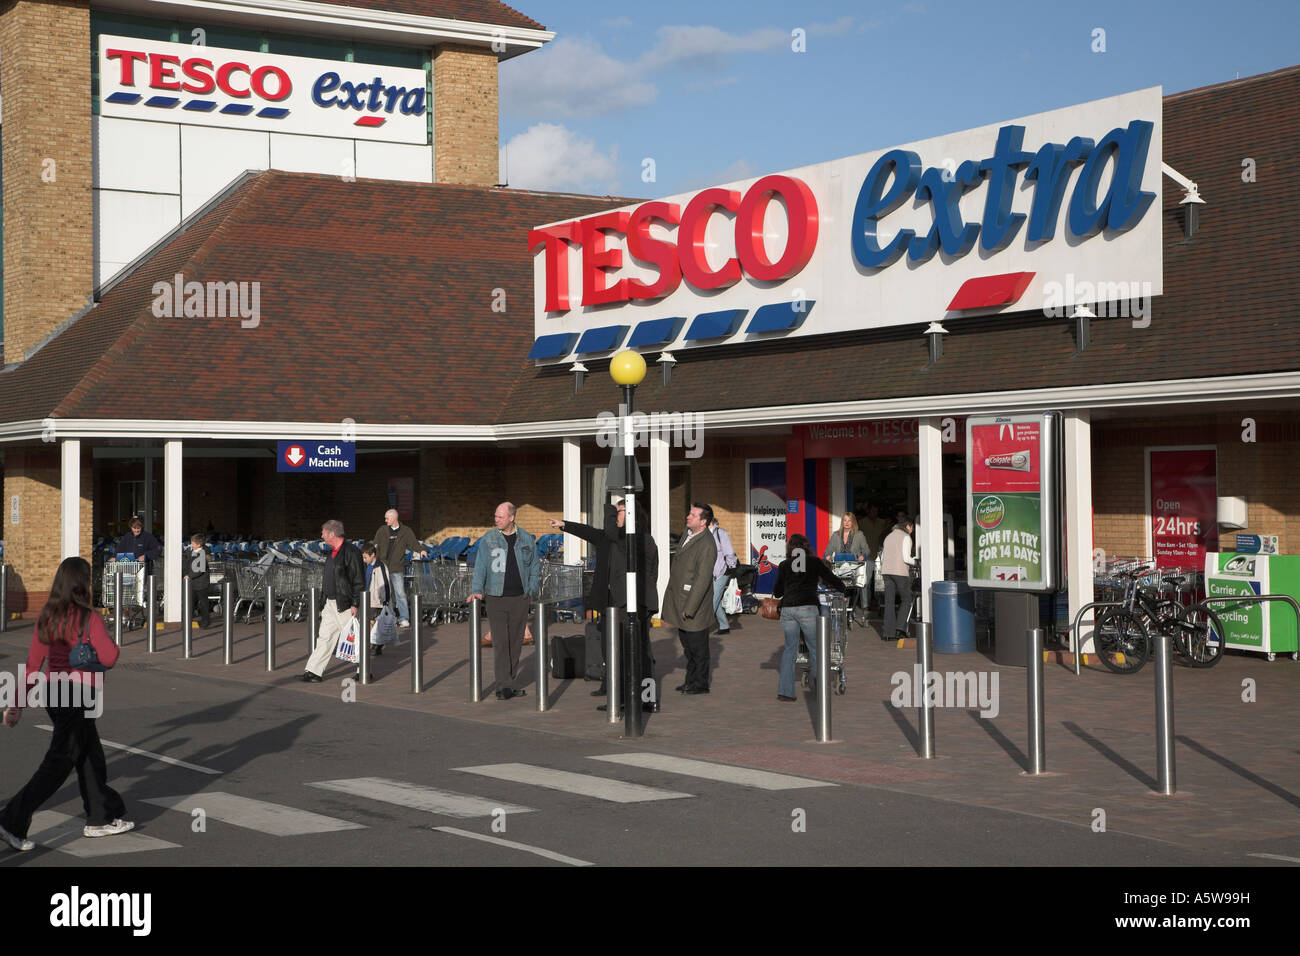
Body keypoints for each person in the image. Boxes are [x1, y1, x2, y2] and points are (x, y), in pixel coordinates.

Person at [0, 557, 133, 852]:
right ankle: (11, 819)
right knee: (58, 764)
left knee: (90, 757)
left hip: (54, 693)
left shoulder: (46, 617)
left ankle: (100, 817)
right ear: (82, 583)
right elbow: (109, 657)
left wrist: (17, 703)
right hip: (79, 696)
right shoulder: (89, 618)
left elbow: (33, 666)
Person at [551, 498, 660, 713]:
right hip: (616, 603)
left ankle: (645, 698)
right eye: (616, 512)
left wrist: (609, 509)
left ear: (631, 514)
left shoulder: (637, 537)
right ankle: (620, 695)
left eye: (620, 511)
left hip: (634, 603)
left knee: (638, 651)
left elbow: (651, 571)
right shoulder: (615, 537)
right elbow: (591, 532)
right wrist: (565, 525)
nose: (615, 516)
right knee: (616, 650)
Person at [469, 502, 540, 701]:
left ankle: (509, 683)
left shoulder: (526, 538)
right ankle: (503, 686)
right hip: (496, 597)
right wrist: (477, 590)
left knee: (515, 643)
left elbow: (535, 566)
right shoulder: (489, 538)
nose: (496, 520)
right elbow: (481, 566)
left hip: (520, 597)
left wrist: (532, 588)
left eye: (500, 517)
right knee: (501, 643)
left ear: (511, 518)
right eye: (496, 516)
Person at [774, 534, 847, 701]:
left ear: (790, 548)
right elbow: (831, 578)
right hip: (807, 607)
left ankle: (785, 692)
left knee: (789, 650)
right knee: (816, 649)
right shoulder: (814, 562)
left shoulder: (784, 565)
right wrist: (843, 589)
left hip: (788, 610)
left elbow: (777, 592)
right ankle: (821, 690)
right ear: (806, 547)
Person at [661, 503, 717, 695]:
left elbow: (702, 580)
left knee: (698, 648)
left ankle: (700, 684)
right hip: (680, 600)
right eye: (689, 513)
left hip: (694, 606)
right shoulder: (688, 533)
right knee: (687, 646)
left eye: (693, 515)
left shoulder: (707, 544)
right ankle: (690, 680)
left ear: (703, 522)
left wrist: (690, 608)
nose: (688, 516)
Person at [300, 519, 364, 683]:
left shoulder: (351, 552)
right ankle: (314, 671)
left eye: (323, 533)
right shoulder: (332, 552)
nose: (321, 536)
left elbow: (358, 580)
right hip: (330, 602)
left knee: (353, 638)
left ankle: (364, 669)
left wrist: (355, 603)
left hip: (345, 603)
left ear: (331, 534)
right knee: (325, 637)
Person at [373, 509, 427, 629]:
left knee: (400, 594)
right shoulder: (382, 530)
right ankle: (391, 617)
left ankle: (404, 618)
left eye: (387, 518)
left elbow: (413, 543)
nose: (385, 520)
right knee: (386, 594)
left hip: (396, 567)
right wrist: (374, 559)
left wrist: (421, 550)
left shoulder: (405, 531)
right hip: (383, 567)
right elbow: (375, 545)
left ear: (394, 518)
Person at [823, 512, 870, 620]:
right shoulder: (836, 535)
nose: (847, 523)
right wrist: (828, 556)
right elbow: (828, 551)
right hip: (838, 568)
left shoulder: (859, 535)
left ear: (853, 522)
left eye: (849, 520)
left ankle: (850, 612)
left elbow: (866, 550)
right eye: (845, 520)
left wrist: (862, 556)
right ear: (842, 522)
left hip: (853, 568)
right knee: (838, 588)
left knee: (853, 589)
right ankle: (840, 611)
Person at [881, 515, 917, 641]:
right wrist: (917, 562)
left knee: (889, 602)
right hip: (900, 572)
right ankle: (899, 630)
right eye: (912, 527)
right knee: (907, 599)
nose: (912, 530)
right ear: (908, 526)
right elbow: (906, 558)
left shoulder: (888, 536)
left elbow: (882, 557)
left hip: (886, 572)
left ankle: (888, 633)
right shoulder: (906, 536)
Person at [361, 543, 398, 657]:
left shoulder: (381, 566)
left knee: (372, 622)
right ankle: (375, 643)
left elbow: (385, 584)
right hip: (368, 598)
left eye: (365, 557)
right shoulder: (367, 566)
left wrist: (385, 600)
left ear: (373, 554)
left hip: (376, 600)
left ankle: (375, 644)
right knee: (370, 622)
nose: (364, 560)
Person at [708, 516, 739, 635]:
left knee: (712, 601)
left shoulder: (720, 533)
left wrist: (730, 567)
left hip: (721, 571)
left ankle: (702, 628)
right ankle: (724, 625)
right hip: (710, 573)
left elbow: (729, 552)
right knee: (715, 599)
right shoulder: (706, 534)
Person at [182, 532, 212, 628]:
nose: (191, 545)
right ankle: (187, 618)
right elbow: (189, 561)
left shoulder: (202, 553)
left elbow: (200, 569)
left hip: (201, 583)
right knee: (190, 601)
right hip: (194, 583)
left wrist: (189, 576)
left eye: (193, 543)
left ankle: (205, 621)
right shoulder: (193, 552)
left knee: (203, 603)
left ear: (199, 545)